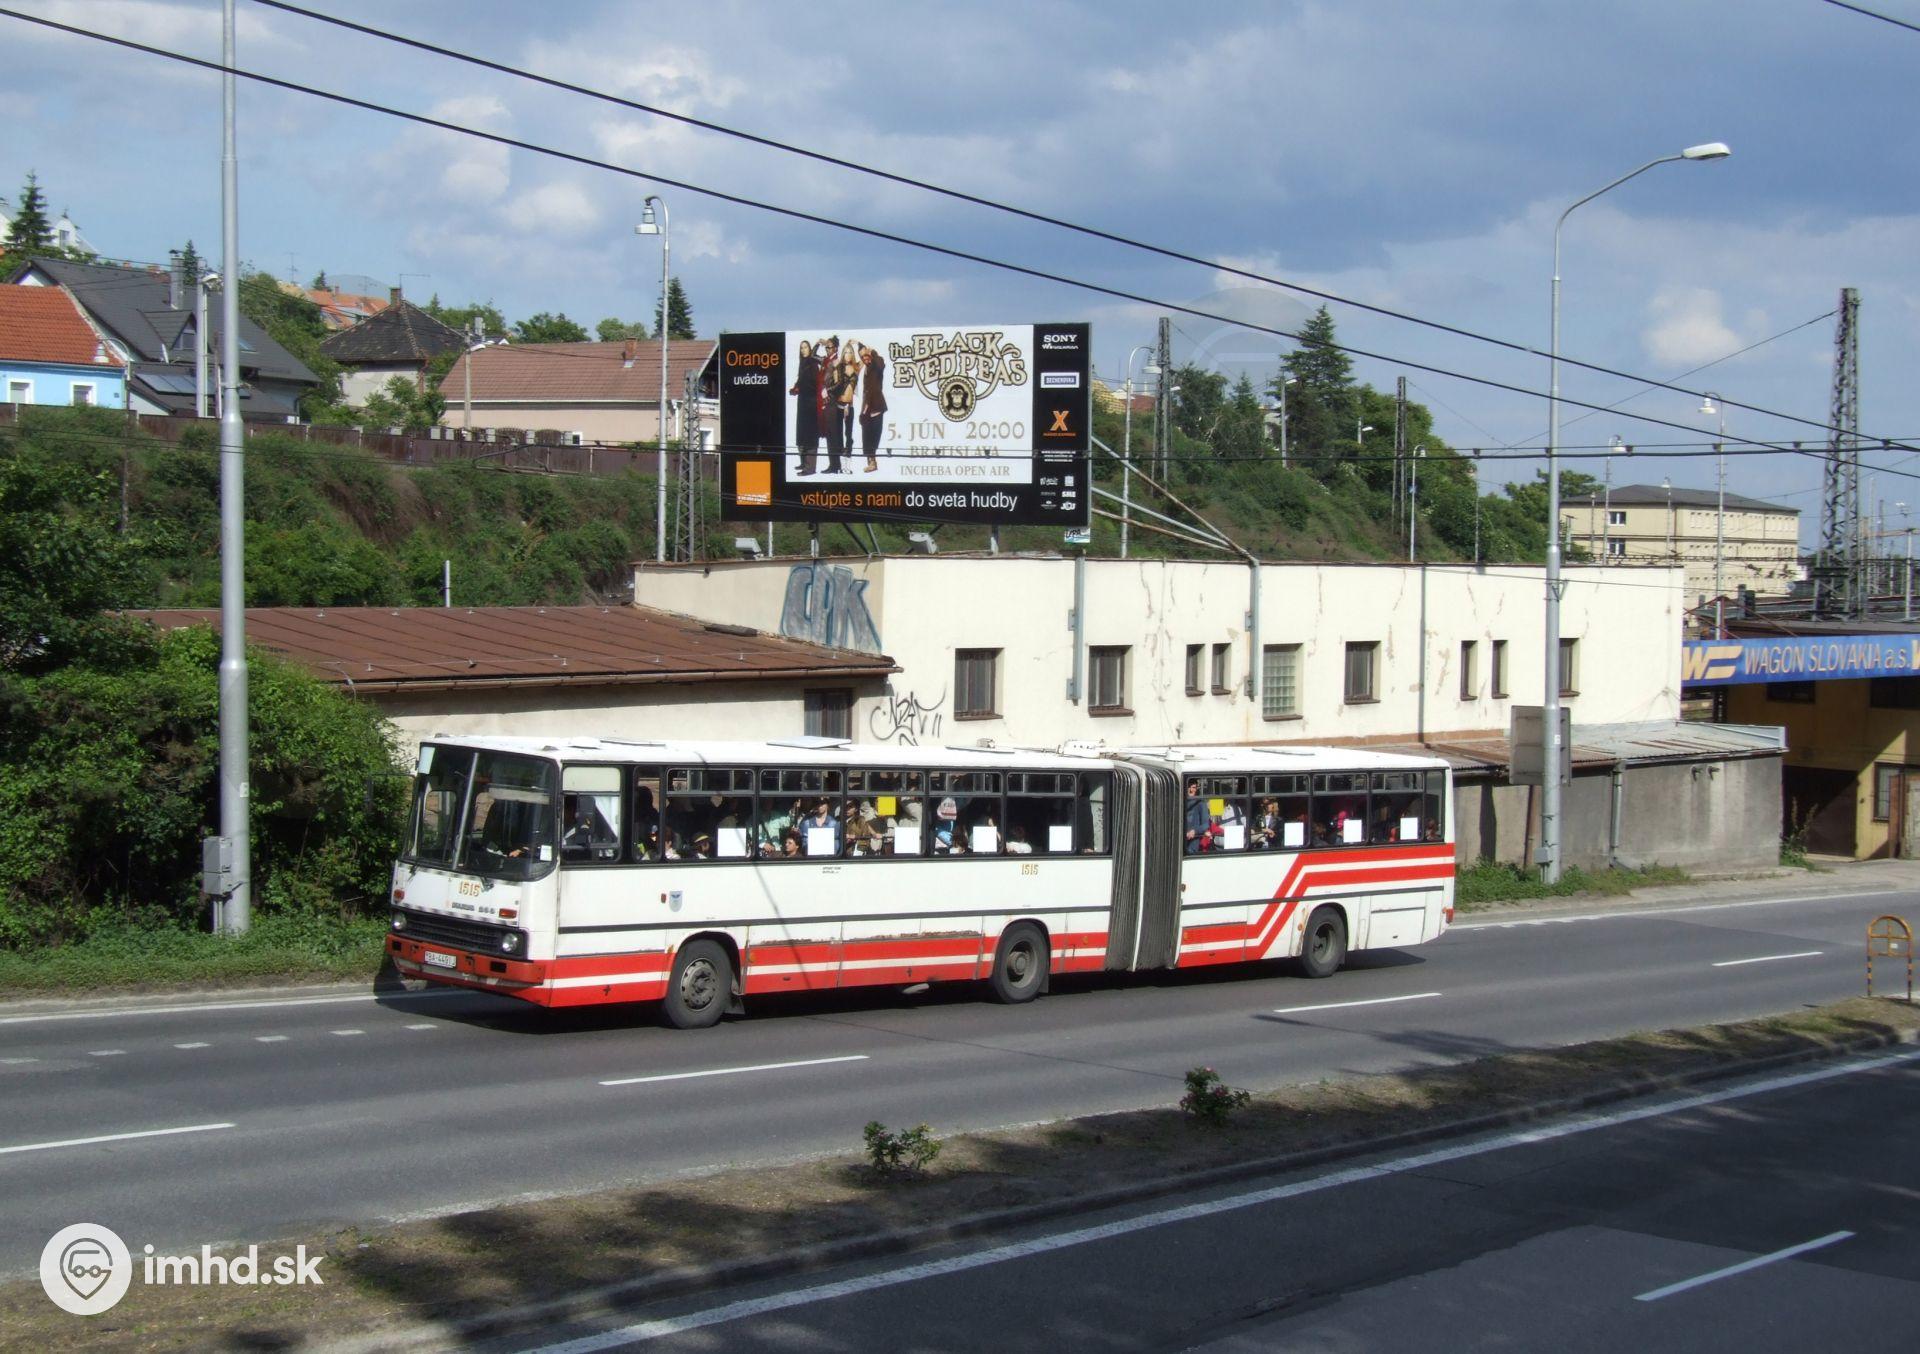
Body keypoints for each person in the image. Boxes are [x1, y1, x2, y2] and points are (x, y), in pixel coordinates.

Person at [789, 339, 820, 476]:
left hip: (811, 403)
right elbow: (801, 381)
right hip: (803, 402)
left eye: (806, 347)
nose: (803, 350)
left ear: (810, 349)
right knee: (801, 433)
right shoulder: (803, 363)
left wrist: (800, 389)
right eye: (801, 348)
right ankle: (803, 463)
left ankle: (810, 468)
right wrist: (795, 388)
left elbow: (814, 384)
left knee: (810, 434)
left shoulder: (813, 363)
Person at [858, 343, 887, 472]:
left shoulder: (877, 364)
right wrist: (863, 410)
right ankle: (871, 462)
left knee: (873, 435)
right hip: (867, 407)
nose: (864, 358)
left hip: (876, 405)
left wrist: (873, 352)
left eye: (866, 355)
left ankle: (873, 462)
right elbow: (866, 392)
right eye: (862, 357)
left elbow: (881, 364)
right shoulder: (866, 369)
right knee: (866, 435)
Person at [1184, 781, 1211, 855]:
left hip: (1193, 844)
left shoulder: (1200, 803)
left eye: (1193, 787)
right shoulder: (1180, 802)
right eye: (1188, 787)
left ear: (1196, 789)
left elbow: (1206, 824)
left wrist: (1195, 831)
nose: (1191, 790)